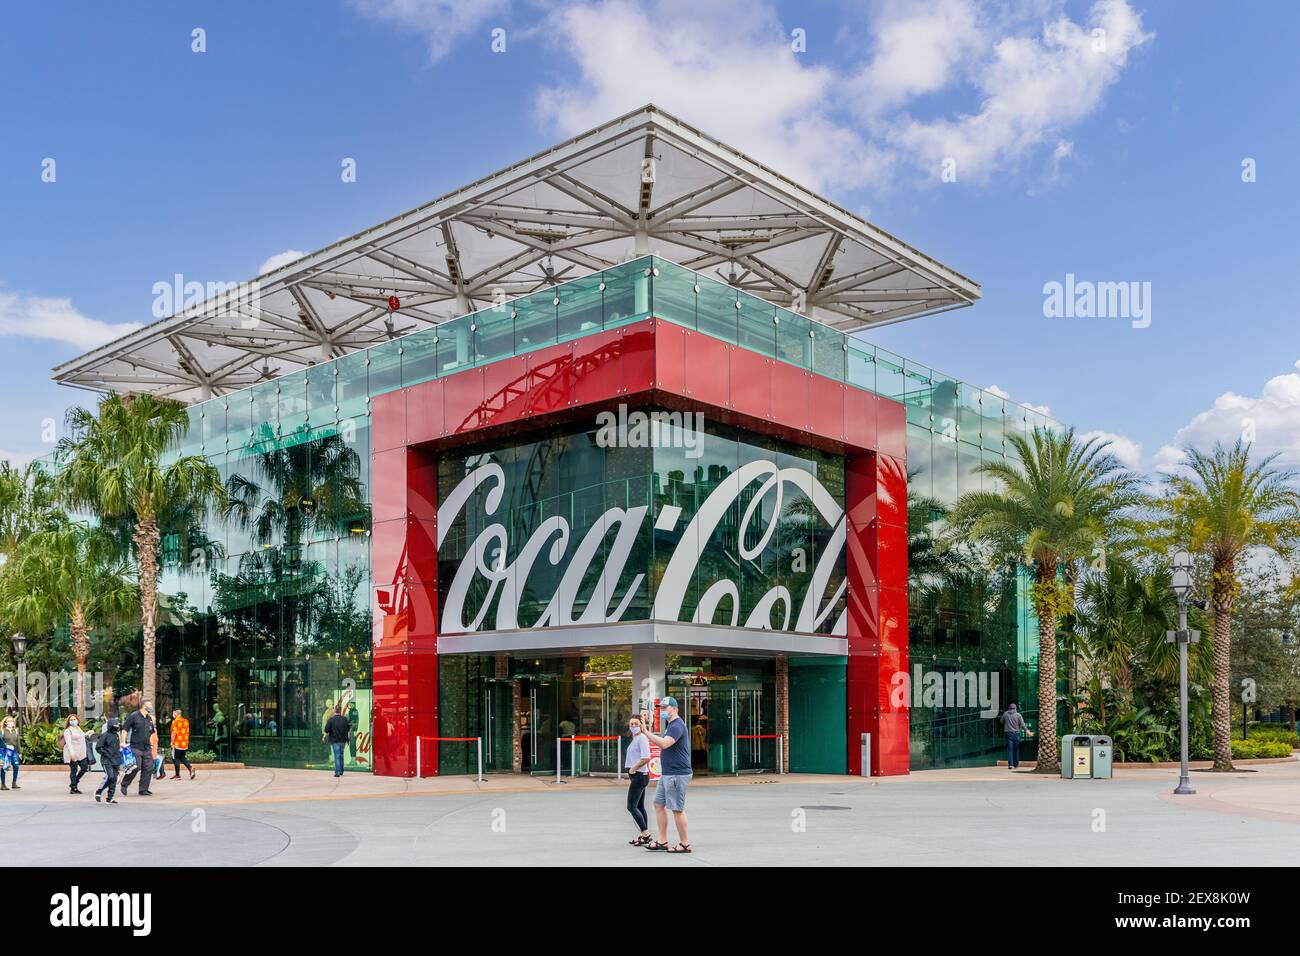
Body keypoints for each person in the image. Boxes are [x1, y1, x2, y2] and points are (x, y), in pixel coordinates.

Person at [640, 696, 692, 853]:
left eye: (665, 708)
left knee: (677, 808)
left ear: (674, 709)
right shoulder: (671, 725)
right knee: (658, 804)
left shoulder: (676, 725)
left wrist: (646, 732)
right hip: (668, 773)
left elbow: (664, 744)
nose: (662, 710)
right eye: (660, 708)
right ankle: (662, 840)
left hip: (677, 773)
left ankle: (685, 843)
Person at [624, 715, 652, 846]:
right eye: (631, 724)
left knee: (631, 806)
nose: (633, 726)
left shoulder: (642, 738)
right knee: (639, 806)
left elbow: (646, 757)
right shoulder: (635, 738)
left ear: (642, 724)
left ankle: (645, 832)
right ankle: (643, 835)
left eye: (636, 724)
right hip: (638, 776)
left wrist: (633, 769)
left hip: (639, 775)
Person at [120, 701, 156, 796]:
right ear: (144, 706)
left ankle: (143, 789)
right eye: (150, 705)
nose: (151, 707)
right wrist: (123, 742)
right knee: (136, 767)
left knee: (148, 768)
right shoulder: (134, 716)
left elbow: (152, 733)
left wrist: (153, 746)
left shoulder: (149, 718)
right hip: (135, 747)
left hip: (147, 747)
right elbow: (124, 730)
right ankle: (124, 784)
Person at [95, 717, 123, 804]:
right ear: (111, 726)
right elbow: (98, 747)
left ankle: (110, 798)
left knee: (114, 779)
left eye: (117, 726)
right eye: (115, 726)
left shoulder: (116, 735)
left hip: (116, 760)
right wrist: (106, 753)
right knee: (110, 777)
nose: (117, 727)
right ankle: (99, 791)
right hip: (106, 761)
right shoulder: (105, 735)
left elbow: (117, 748)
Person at [1000, 702, 1033, 770]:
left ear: (1009, 708)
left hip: (1008, 733)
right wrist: (1027, 731)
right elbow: (1023, 724)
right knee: (1016, 750)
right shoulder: (1018, 715)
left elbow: (1001, 721)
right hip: (1016, 734)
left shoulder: (1005, 714)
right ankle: (1016, 765)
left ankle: (1011, 765)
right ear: (1015, 708)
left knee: (1010, 750)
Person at [61, 714, 89, 794]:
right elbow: (69, 743)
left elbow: (82, 736)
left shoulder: (78, 728)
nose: (73, 721)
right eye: (71, 720)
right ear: (69, 722)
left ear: (77, 720)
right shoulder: (68, 731)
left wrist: (88, 733)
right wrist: (72, 754)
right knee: (74, 770)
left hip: (80, 753)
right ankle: (73, 788)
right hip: (72, 753)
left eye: (74, 719)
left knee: (84, 768)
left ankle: (74, 782)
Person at [324, 705, 350, 777]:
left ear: (335, 710)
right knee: (341, 755)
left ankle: (337, 772)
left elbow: (326, 730)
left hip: (335, 741)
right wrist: (347, 739)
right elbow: (347, 729)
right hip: (342, 741)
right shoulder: (344, 719)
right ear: (340, 710)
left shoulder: (331, 719)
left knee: (337, 756)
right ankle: (341, 770)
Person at [169, 708, 195, 780]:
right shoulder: (186, 721)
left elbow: (174, 733)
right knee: (182, 757)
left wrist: (172, 742)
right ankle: (191, 768)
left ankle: (177, 775)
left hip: (177, 743)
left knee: (175, 758)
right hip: (184, 744)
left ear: (176, 714)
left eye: (173, 713)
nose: (172, 715)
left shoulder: (175, 721)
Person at [0, 714, 20, 790]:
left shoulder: (15, 730)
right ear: (5, 722)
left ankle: (14, 783)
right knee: (4, 767)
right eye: (9, 721)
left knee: (16, 766)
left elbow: (18, 742)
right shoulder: (2, 731)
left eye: (12, 721)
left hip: (14, 751)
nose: (11, 722)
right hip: (5, 751)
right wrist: (5, 746)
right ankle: (3, 784)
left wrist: (19, 752)